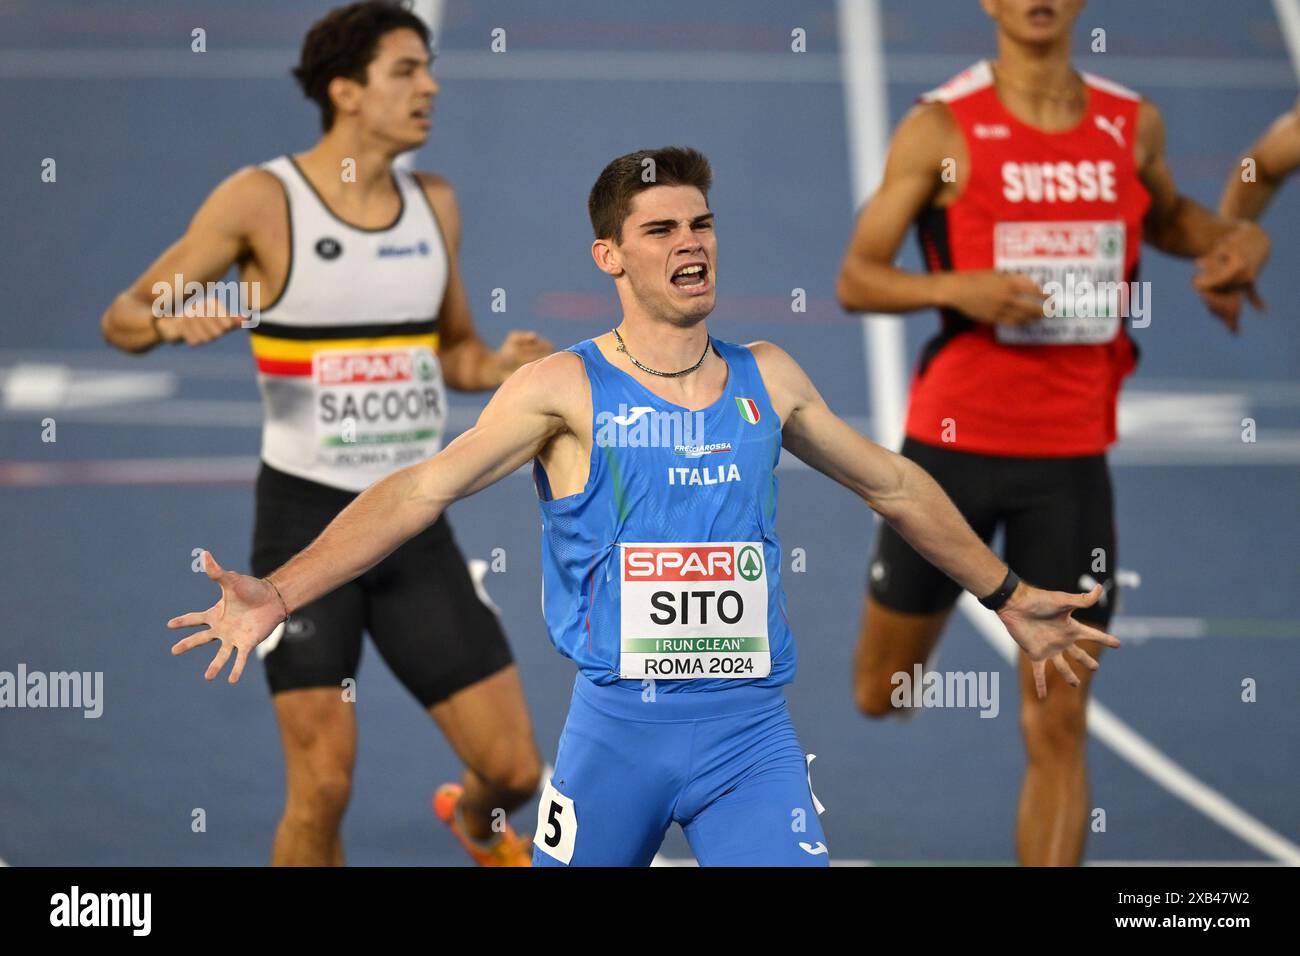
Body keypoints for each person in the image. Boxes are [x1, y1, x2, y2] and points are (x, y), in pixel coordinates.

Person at [166, 145, 1120, 867]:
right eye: (661, 232)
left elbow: (896, 483)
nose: (690, 244)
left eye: (700, 225)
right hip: (616, 738)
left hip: (752, 740)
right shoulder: (561, 390)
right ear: (611, 257)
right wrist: (281, 595)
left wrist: (1005, 593)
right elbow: (422, 488)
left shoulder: (768, 378)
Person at [102, 0, 551, 866]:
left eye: (428, 68)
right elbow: (121, 317)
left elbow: (452, 350)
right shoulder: (262, 201)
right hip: (302, 527)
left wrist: (495, 366)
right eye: (406, 71)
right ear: (346, 91)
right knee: (323, 789)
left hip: (412, 524)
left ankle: (473, 823)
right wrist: (172, 318)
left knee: (515, 769)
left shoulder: (436, 205)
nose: (431, 85)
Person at [836, 0, 1270, 865]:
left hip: (1070, 461)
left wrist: (1235, 238)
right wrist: (960, 290)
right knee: (881, 691)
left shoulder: (1127, 122)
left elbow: (1169, 216)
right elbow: (858, 276)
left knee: (1059, 717)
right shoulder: (940, 127)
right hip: (949, 453)